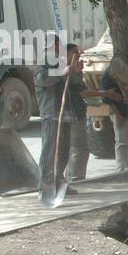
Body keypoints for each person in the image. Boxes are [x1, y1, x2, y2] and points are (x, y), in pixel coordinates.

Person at [34, 40, 89, 195]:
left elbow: (77, 87)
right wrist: (62, 72)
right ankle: (45, 186)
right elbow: (41, 79)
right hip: (52, 113)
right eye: (57, 46)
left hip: (65, 113)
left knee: (63, 151)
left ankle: (59, 182)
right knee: (50, 151)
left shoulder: (61, 63)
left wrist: (77, 72)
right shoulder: (43, 63)